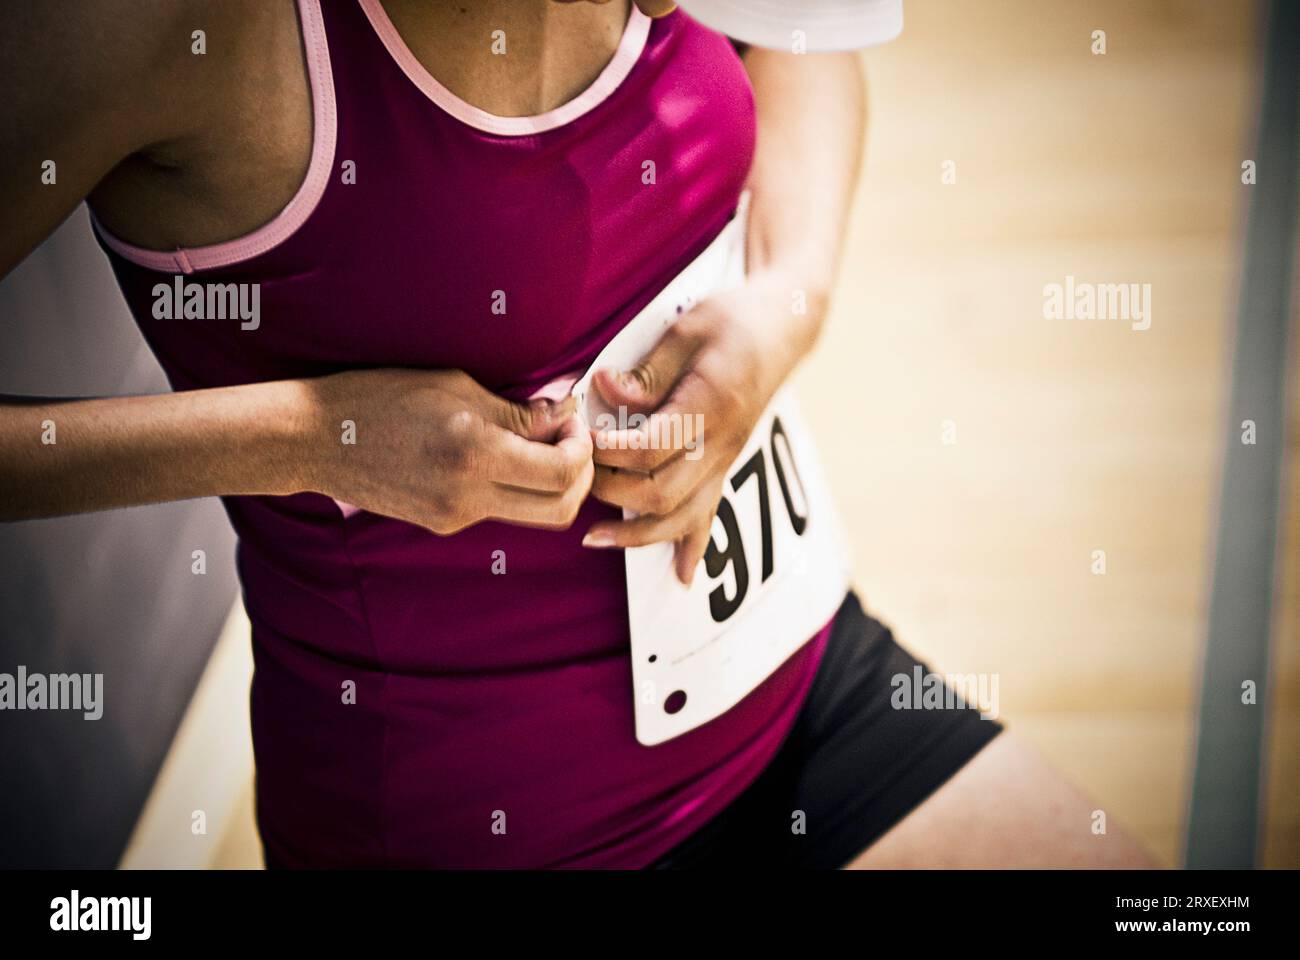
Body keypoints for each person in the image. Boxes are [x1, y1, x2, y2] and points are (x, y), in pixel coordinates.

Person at [0, 0, 1153, 868]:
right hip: (474, 832)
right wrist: (314, 437)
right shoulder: (168, 30)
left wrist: (781, 307)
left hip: (801, 694)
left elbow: (808, 40)